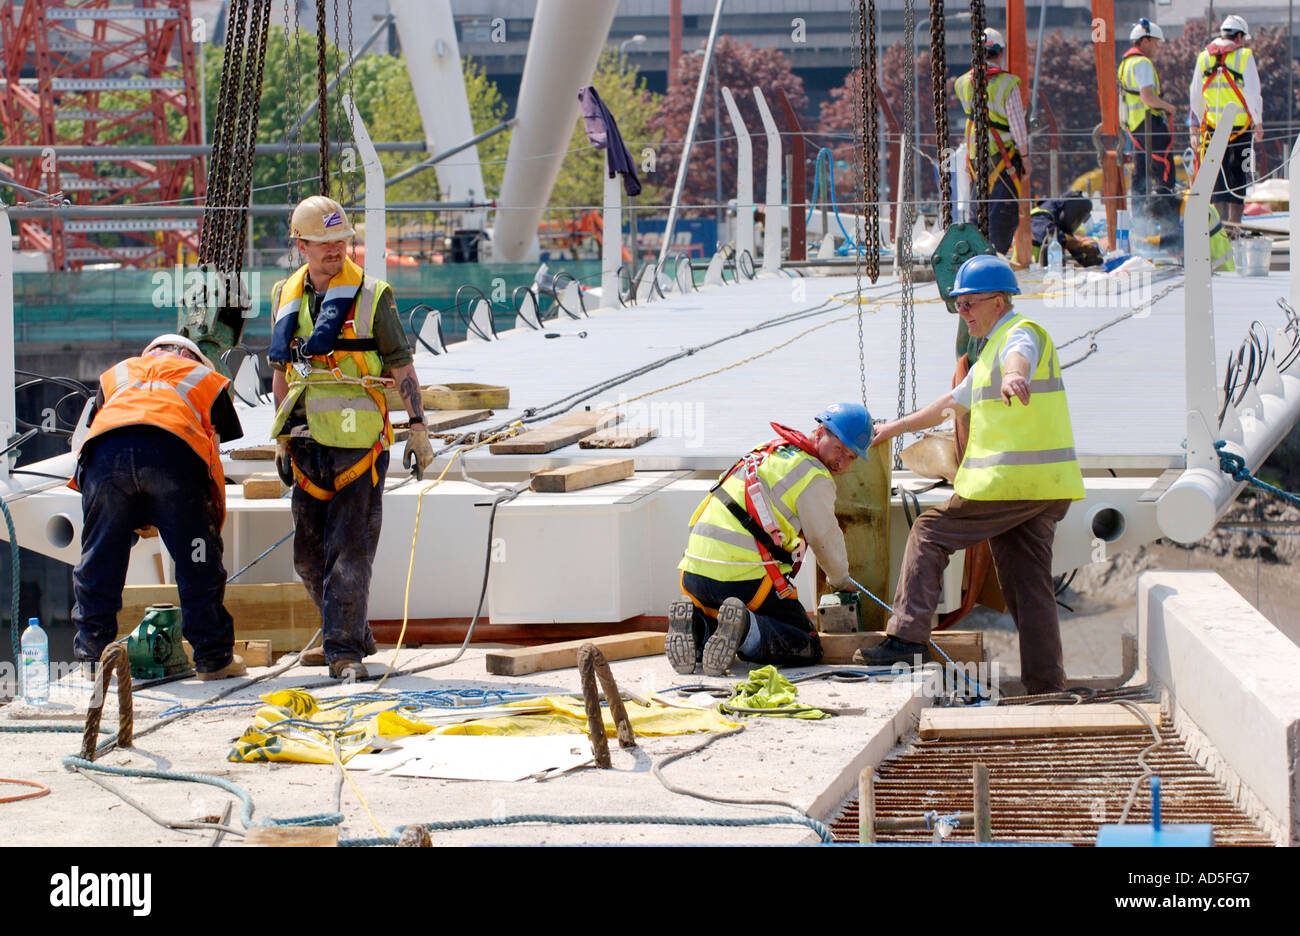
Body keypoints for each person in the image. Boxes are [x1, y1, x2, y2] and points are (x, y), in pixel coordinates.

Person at [859, 256, 1084, 694]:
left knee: (929, 531)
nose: (961, 313)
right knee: (1028, 584)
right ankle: (1045, 684)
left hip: (1009, 484)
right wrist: (897, 427)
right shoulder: (987, 355)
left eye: (968, 304)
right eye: (957, 304)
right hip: (1045, 488)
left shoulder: (1018, 335)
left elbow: (1022, 359)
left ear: (998, 302)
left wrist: (1015, 378)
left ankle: (906, 638)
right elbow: (949, 405)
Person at [268, 195, 434, 680]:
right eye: (323, 243)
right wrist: (280, 435)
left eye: (341, 241)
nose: (335, 250)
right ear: (301, 245)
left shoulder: (372, 295)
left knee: (350, 550)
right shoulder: (285, 295)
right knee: (307, 555)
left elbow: (402, 367)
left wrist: (418, 429)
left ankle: (342, 653)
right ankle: (353, 632)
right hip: (305, 440)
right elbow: (281, 370)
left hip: (358, 441)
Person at [70, 335, 246, 680]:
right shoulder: (205, 379)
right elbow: (214, 447)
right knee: (198, 560)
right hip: (173, 452)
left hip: (105, 458)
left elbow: (98, 428)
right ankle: (212, 658)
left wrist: (133, 507)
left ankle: (92, 659)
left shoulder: (118, 373)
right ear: (191, 357)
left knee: (99, 559)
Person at [668, 403, 872, 677]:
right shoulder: (814, 476)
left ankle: (695, 624)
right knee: (806, 641)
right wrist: (840, 580)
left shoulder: (771, 450)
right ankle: (744, 630)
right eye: (839, 450)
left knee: (721, 612)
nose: (842, 463)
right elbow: (824, 538)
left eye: (851, 458)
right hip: (743, 580)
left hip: (692, 574)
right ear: (821, 432)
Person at [955, 27, 1029, 255]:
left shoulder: (962, 83)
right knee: (1002, 211)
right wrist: (1026, 158)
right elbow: (1018, 127)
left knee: (978, 209)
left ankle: (976, 254)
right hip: (1003, 157)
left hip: (976, 157)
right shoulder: (1008, 84)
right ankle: (997, 255)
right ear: (1000, 52)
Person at [1189, 15, 1263, 225]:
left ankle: (1220, 226)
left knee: (1216, 175)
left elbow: (1195, 95)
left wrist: (1201, 121)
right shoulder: (1244, 55)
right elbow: (1252, 92)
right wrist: (1258, 122)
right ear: (1238, 36)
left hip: (1212, 127)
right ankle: (1235, 225)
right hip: (1240, 127)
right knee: (1239, 173)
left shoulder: (1203, 57)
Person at [1118, 19, 1178, 206]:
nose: (1157, 47)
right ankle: (1166, 215)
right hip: (1149, 121)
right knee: (1164, 166)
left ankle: (1139, 218)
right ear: (1144, 41)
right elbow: (1147, 97)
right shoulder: (1142, 63)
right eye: (1155, 42)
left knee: (1141, 171)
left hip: (1135, 125)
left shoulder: (1125, 64)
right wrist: (1168, 107)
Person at [1029, 191, 1102, 267]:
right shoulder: (1041, 214)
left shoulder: (1058, 218)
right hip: (1027, 270)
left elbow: (1070, 243)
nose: (1076, 223)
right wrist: (1079, 245)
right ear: (1071, 210)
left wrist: (1087, 258)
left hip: (1043, 270)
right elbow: (1051, 235)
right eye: (1076, 219)